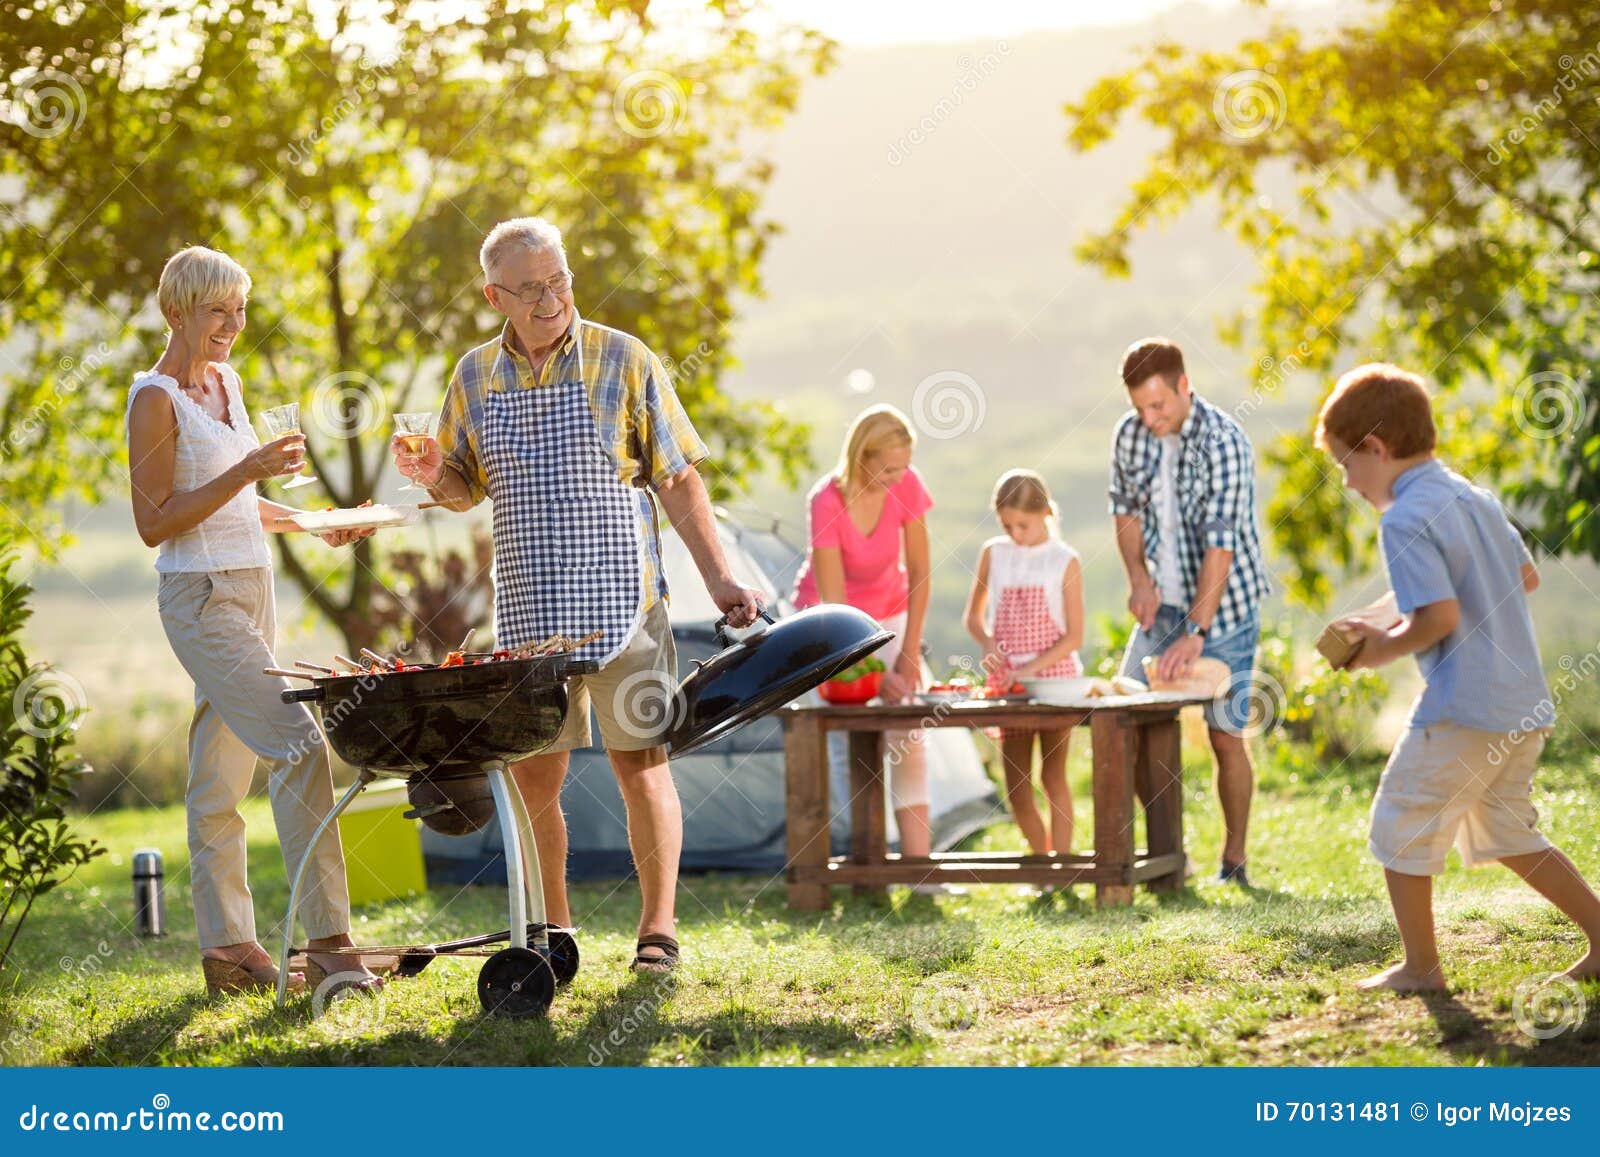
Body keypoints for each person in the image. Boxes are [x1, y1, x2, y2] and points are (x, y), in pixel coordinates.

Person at [393, 217, 764, 974]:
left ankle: (656, 931)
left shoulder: (623, 358)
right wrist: (433, 471)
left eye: (558, 279)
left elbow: (678, 478)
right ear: (495, 295)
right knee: (536, 777)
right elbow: (464, 488)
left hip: (624, 604)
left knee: (642, 763)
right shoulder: (472, 376)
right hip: (531, 613)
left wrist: (722, 576)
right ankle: (552, 938)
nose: (549, 297)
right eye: (529, 288)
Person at [126, 246, 381, 996]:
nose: (233, 324)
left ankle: (230, 952)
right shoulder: (155, 398)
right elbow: (155, 521)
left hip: (252, 588)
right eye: (218, 311)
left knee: (217, 780)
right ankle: (331, 940)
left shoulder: (227, 383)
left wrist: (312, 521)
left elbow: (241, 505)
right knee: (301, 743)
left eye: (239, 310)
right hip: (200, 598)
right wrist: (247, 469)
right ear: (178, 311)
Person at [1318, 362, 1600, 991]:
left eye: (1346, 465)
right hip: (1521, 703)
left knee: (1399, 816)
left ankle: (1422, 969)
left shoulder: (1400, 518)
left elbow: (1439, 615)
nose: (1348, 482)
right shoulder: (1471, 496)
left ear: (1376, 448)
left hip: (1462, 707)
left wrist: (1376, 650)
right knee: (1507, 831)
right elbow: (1520, 577)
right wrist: (1390, 609)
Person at [1109, 337, 1269, 886]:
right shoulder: (1131, 436)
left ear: (1184, 385)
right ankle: (1169, 859)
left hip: (1225, 609)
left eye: (1159, 406)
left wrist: (1197, 631)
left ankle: (1235, 862)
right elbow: (1124, 511)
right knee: (1124, 717)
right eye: (1140, 408)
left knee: (1226, 734)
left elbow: (1220, 546)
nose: (1149, 418)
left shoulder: (1224, 441)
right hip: (1163, 603)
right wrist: (1139, 579)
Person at [792, 404, 936, 865]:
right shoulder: (826, 501)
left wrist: (908, 657)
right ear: (861, 458)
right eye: (888, 468)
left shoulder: (907, 485)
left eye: (904, 467)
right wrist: (872, 676)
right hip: (830, 626)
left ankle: (918, 868)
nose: (898, 477)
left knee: (908, 733)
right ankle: (864, 866)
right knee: (846, 740)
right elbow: (838, 612)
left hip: (890, 615)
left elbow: (919, 573)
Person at [963, 470, 1084, 857]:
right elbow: (974, 617)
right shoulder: (994, 553)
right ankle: (1042, 860)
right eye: (1007, 525)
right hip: (1009, 686)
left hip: (1054, 683)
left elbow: (1074, 637)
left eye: (1024, 524)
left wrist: (1030, 669)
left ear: (1046, 512)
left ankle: (1062, 868)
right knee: (1016, 785)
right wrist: (987, 644)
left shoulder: (1064, 560)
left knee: (1053, 777)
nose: (1016, 533)